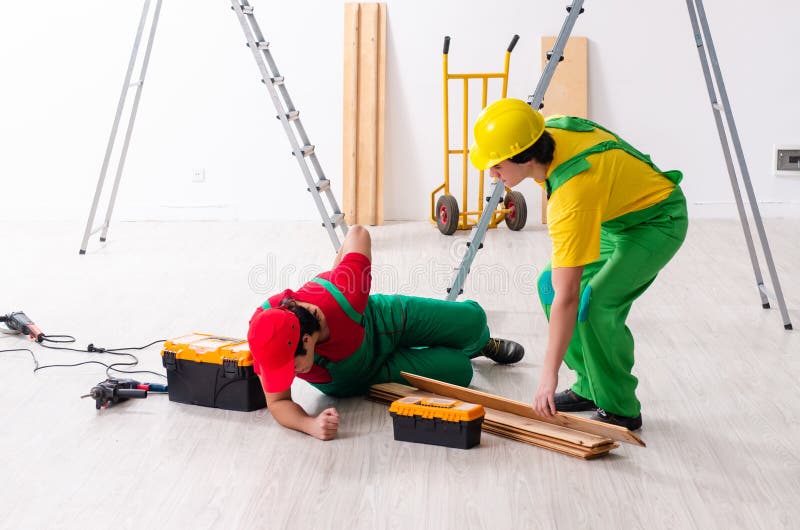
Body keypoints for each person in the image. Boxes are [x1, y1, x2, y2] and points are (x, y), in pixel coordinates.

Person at [469, 98, 688, 431]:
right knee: (548, 284)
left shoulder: (571, 197)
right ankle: (590, 385)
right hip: (613, 218)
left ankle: (620, 406)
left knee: (595, 303)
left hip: (657, 221)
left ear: (525, 156)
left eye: (496, 164)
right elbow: (558, 288)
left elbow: (569, 295)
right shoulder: (546, 132)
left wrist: (547, 376)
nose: (491, 173)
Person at [247, 224, 524, 441]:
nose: (290, 375)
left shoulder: (346, 295)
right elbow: (278, 402)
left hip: (384, 320)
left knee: (473, 321)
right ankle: (467, 350)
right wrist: (310, 424)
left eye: (292, 366)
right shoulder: (265, 335)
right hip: (362, 375)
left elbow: (357, 233)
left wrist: (335, 277)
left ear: (306, 340)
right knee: (460, 372)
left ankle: (480, 343)